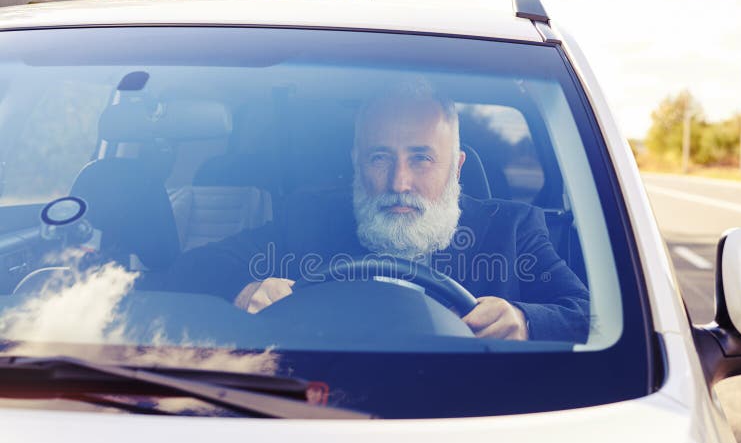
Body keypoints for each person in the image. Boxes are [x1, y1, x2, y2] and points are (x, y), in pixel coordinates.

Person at [166, 81, 590, 342]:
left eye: (422, 158)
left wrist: (525, 320)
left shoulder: (513, 228)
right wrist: (243, 288)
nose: (399, 182)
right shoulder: (310, 219)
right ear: (356, 162)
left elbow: (588, 313)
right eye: (380, 158)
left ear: (456, 166)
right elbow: (190, 270)